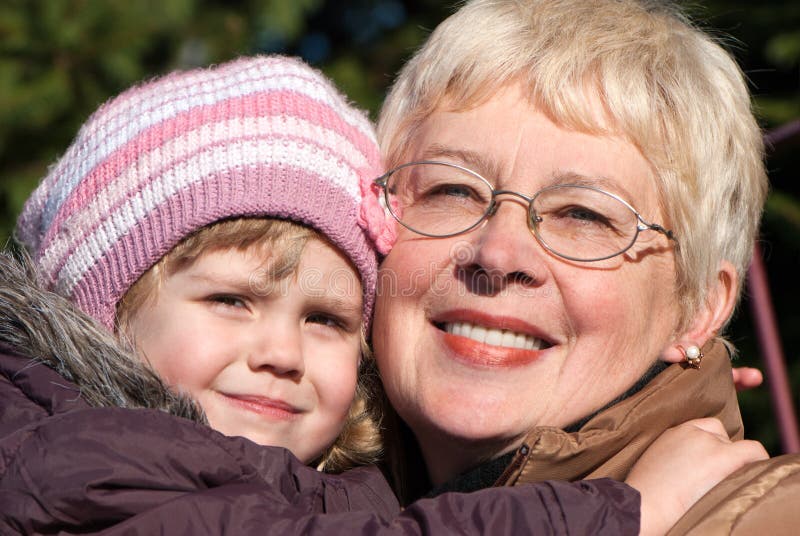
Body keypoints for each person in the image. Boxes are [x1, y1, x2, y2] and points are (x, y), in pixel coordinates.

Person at [1, 53, 755, 535]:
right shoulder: (80, 453)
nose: (281, 353)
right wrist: (629, 512)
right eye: (231, 300)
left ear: (699, 307)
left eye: (327, 319)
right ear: (101, 309)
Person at [357, 0, 798, 532]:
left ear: (698, 306)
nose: (497, 254)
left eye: (583, 215)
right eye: (453, 190)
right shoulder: (287, 492)